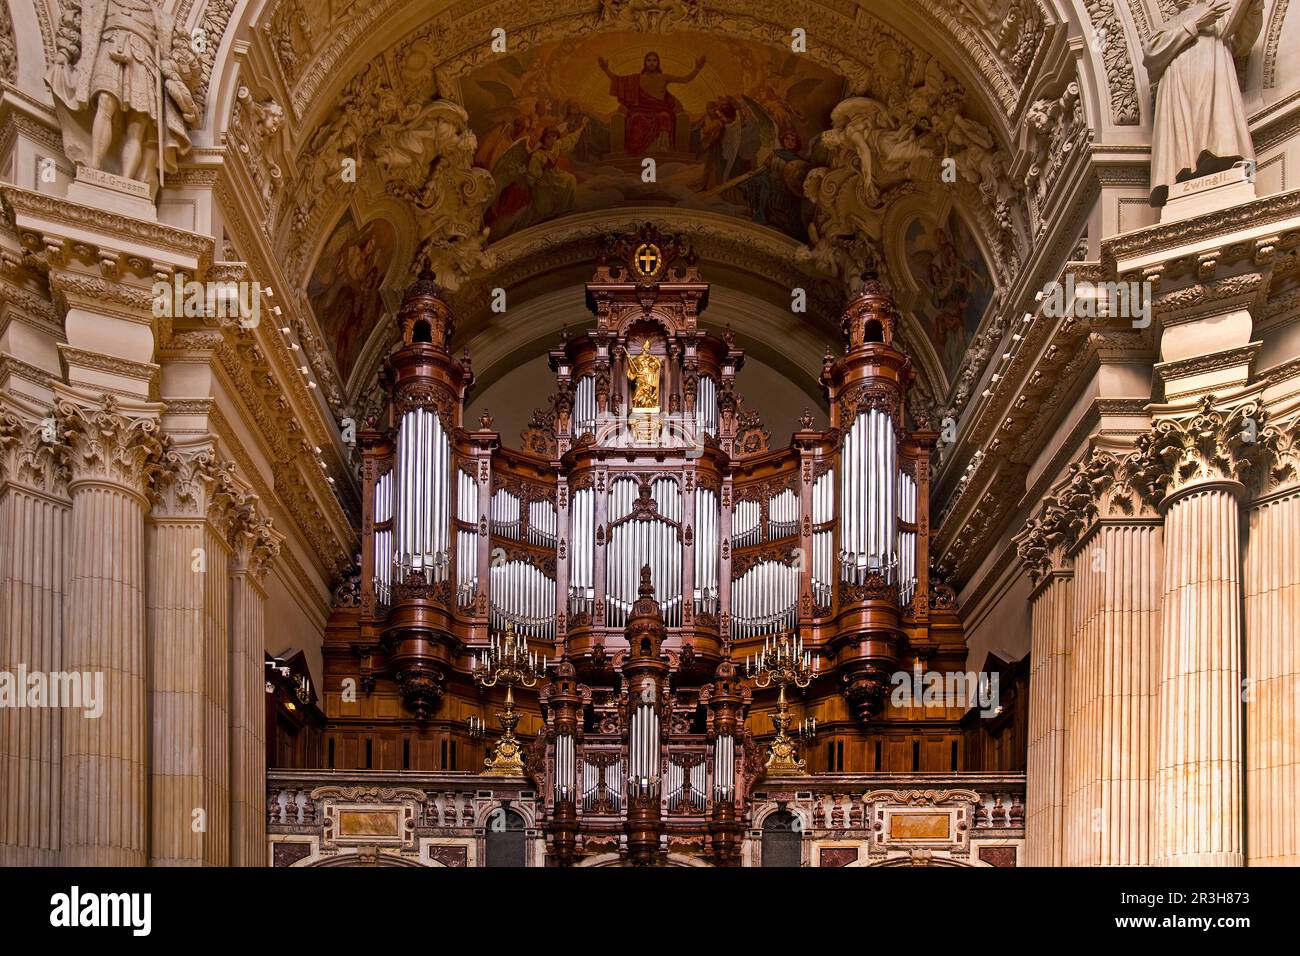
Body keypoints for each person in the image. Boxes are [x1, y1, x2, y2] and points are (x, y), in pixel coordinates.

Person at [1143, 0, 1264, 205]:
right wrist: (1195, 24)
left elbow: (1243, 42)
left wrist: (1253, 7)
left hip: (1212, 80)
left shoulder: (1218, 12)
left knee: (1214, 121)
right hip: (1178, 90)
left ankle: (1226, 162)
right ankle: (1186, 172)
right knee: (1184, 133)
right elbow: (1151, 55)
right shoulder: (1166, 27)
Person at [599, 51, 705, 154]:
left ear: (658, 62)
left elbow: (685, 79)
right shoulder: (638, 78)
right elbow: (617, 80)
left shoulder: (664, 77)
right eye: (649, 60)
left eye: (654, 60)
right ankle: (640, 151)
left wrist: (697, 69)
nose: (651, 63)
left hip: (660, 109)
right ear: (645, 62)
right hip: (641, 110)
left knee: (665, 117)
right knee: (636, 118)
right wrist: (605, 69)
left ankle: (661, 149)